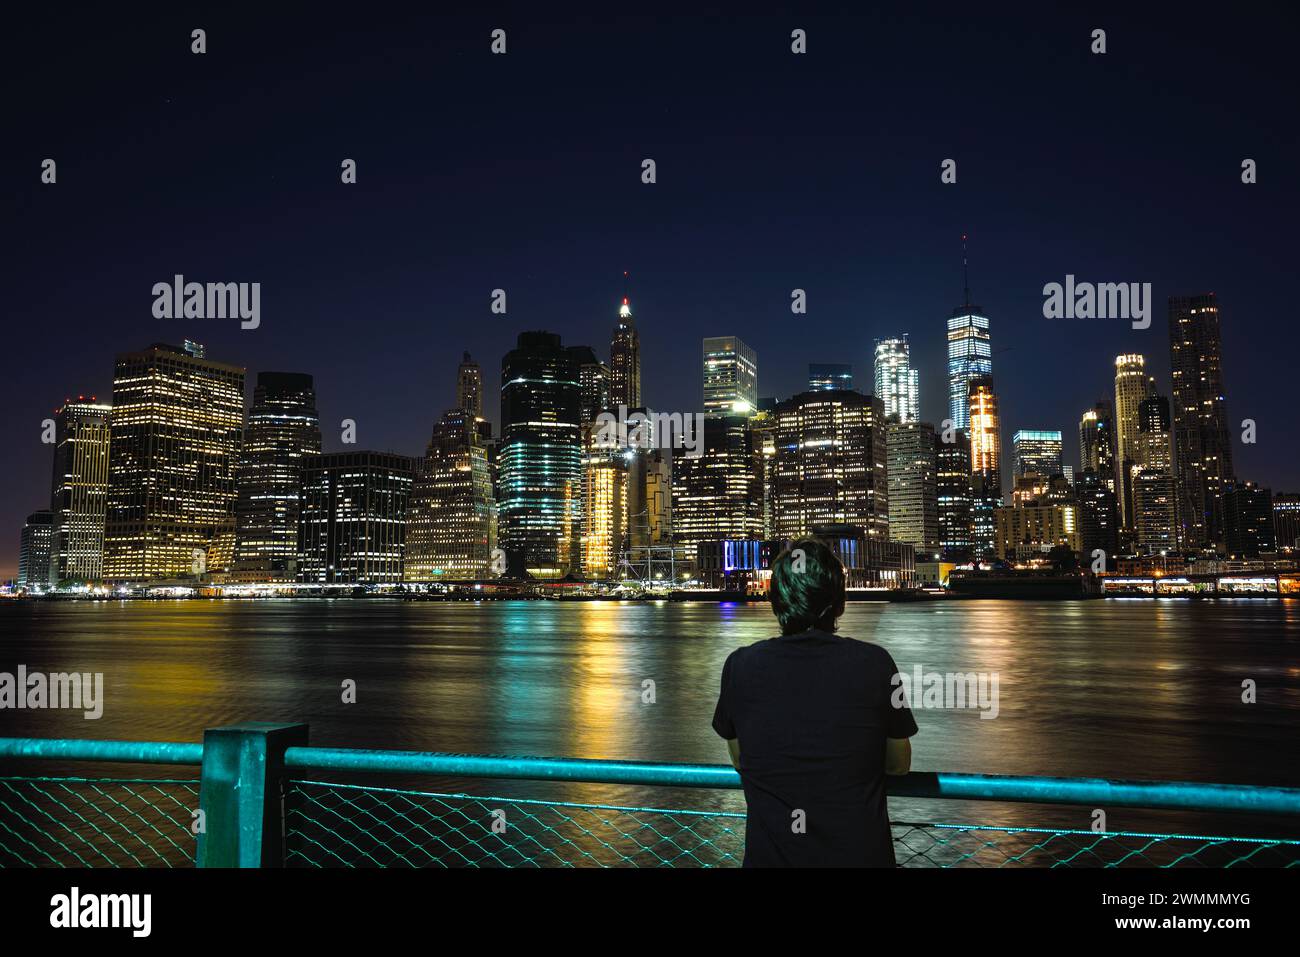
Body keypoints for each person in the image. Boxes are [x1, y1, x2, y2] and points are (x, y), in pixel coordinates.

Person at [711, 539, 917, 867]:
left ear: (774, 600)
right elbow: (898, 764)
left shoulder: (741, 666)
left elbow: (740, 759)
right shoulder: (875, 664)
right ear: (840, 603)